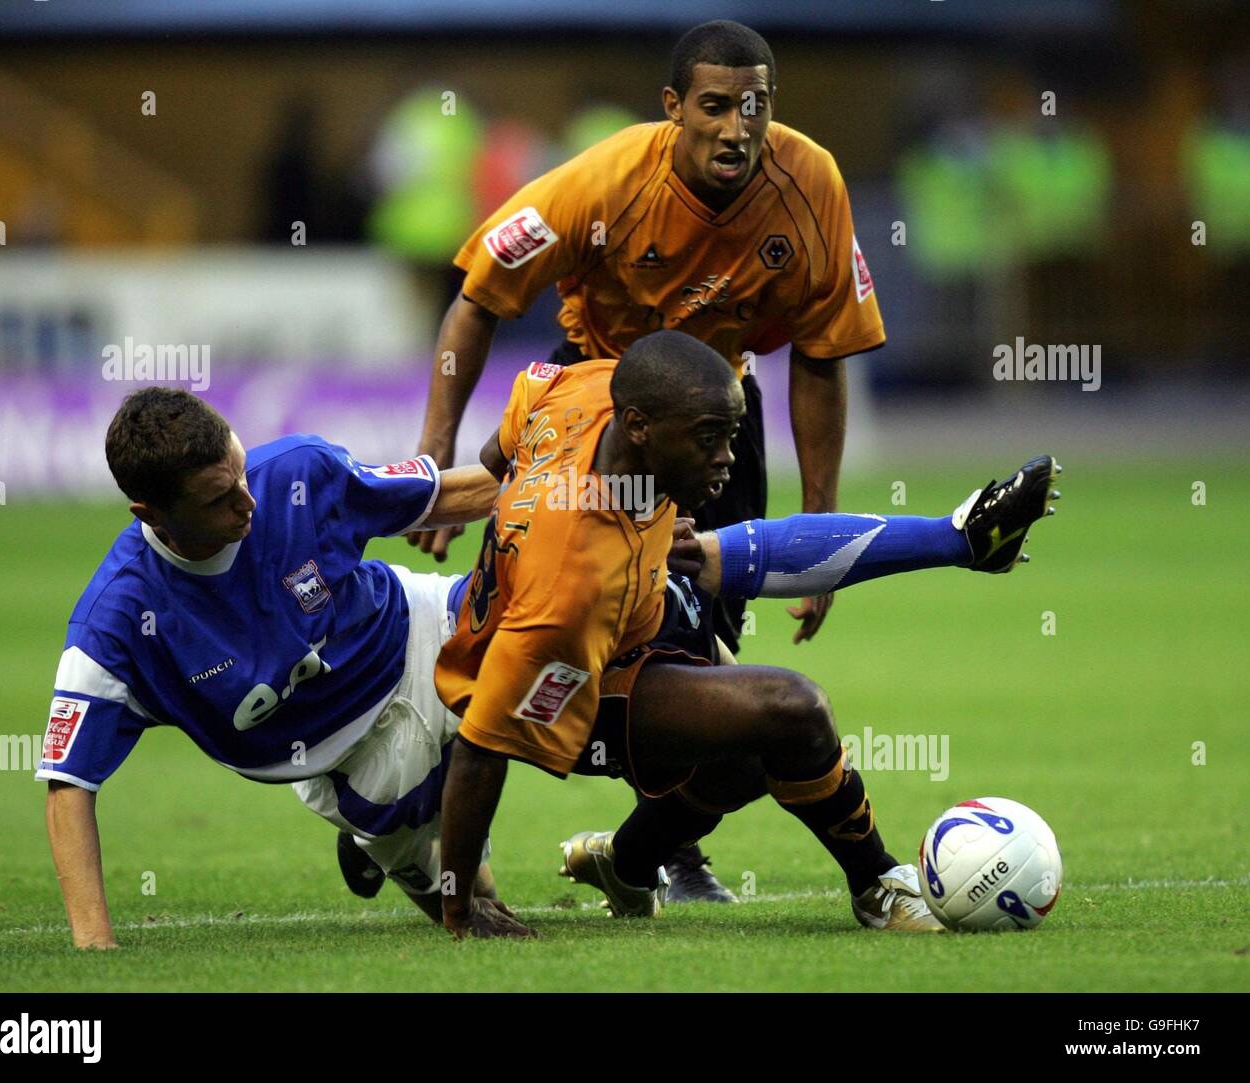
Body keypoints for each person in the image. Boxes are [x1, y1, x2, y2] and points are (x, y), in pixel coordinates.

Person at [412, 19, 885, 900]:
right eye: (715, 107)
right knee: (551, 622)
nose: (738, 128)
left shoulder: (810, 181)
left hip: (716, 432)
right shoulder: (604, 181)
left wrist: (818, 525)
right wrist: (437, 459)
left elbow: (822, 352)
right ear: (674, 109)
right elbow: (478, 295)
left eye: (755, 107)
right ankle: (430, 786)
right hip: (592, 421)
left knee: (709, 674)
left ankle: (659, 851)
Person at [432, 331, 1060, 939]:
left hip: (634, 611)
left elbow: (499, 461)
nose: (728, 459)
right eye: (709, 439)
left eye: (731, 436)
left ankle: (624, 865)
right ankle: (877, 885)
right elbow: (483, 743)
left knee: (740, 733)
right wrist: (461, 905)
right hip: (574, 670)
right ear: (640, 427)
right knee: (791, 713)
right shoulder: (571, 588)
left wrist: (462, 502)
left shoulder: (576, 388)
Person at [38, 387, 511, 948]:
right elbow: (70, 784)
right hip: (348, 762)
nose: (247, 503)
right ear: (153, 515)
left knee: (557, 660)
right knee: (477, 912)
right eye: (218, 499)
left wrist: (563, 490)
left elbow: (436, 497)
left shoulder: (296, 473)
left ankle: (630, 859)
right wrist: (95, 943)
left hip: (416, 631)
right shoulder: (115, 623)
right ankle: (378, 841)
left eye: (240, 473)